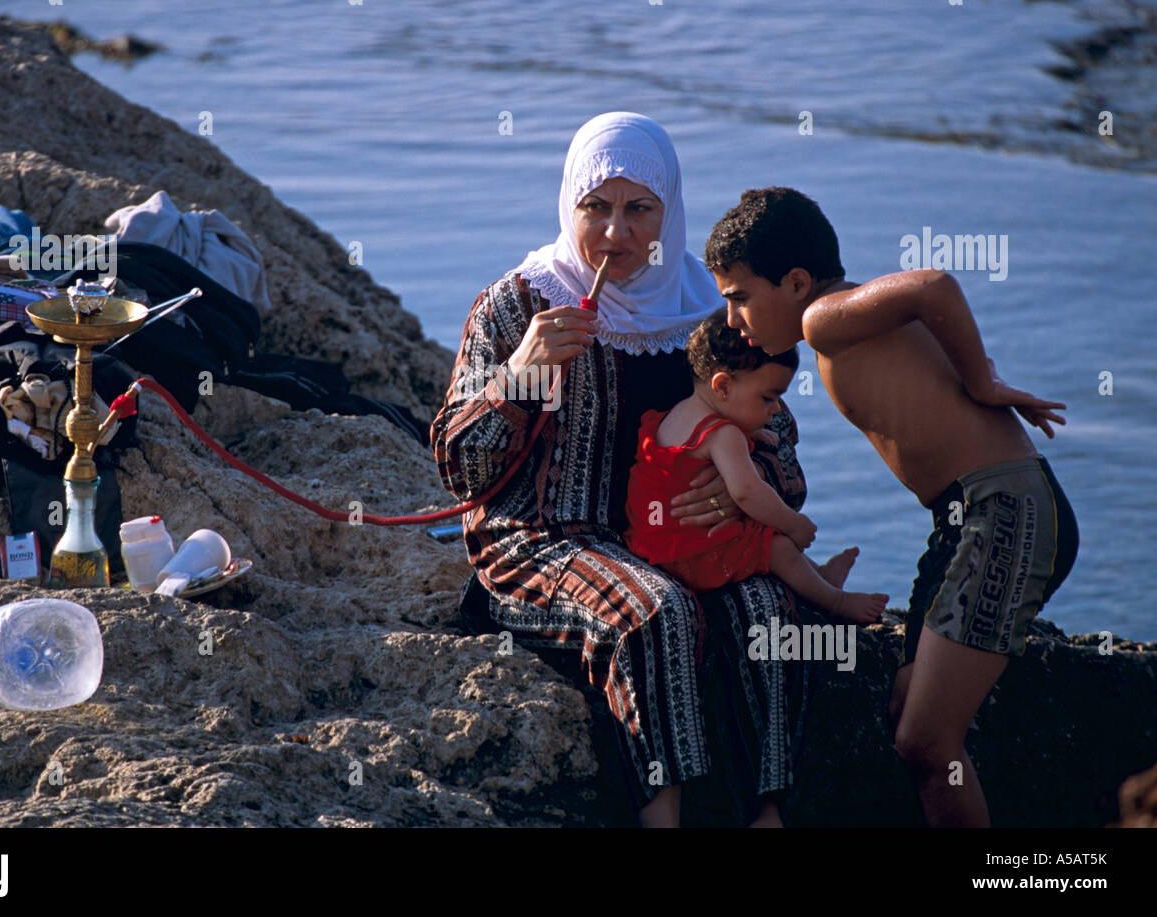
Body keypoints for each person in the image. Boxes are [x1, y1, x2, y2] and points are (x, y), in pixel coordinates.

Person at [431, 113, 845, 827]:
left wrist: (743, 485)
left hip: (677, 544)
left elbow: (781, 450)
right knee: (656, 613)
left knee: (770, 610)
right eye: (595, 208)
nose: (615, 234)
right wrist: (521, 374)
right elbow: (458, 466)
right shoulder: (520, 302)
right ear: (569, 205)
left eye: (638, 210)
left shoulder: (711, 315)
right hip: (545, 539)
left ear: (669, 212)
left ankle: (768, 810)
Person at [703, 185, 1079, 827]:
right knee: (905, 709)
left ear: (795, 282)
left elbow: (933, 285)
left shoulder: (824, 318)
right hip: (966, 518)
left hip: (1004, 511)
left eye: (738, 299)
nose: (734, 320)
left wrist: (982, 381)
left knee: (926, 740)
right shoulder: (842, 318)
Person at [624, 310, 887, 626]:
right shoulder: (724, 436)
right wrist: (793, 524)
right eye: (767, 398)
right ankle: (836, 601)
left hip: (653, 543)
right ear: (722, 386)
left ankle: (819, 575)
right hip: (690, 554)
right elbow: (748, 493)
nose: (775, 409)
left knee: (761, 535)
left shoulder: (675, 416)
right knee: (776, 546)